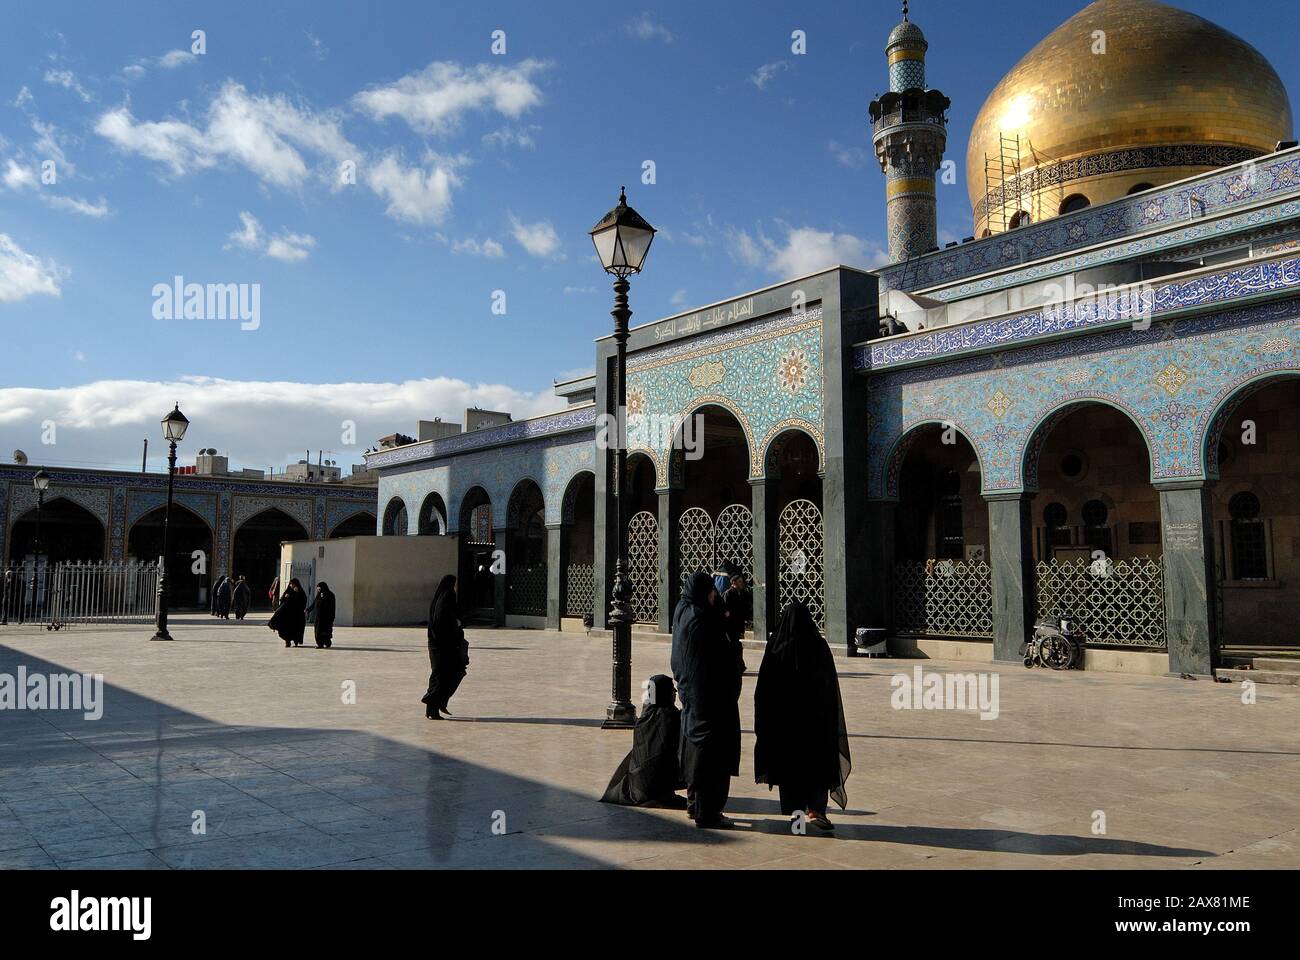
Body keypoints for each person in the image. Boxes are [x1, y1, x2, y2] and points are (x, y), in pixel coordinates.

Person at [753, 601, 852, 831]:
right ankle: (817, 811)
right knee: (816, 769)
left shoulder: (775, 647)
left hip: (785, 727)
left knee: (790, 772)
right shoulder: (818, 646)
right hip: (815, 725)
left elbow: (764, 691)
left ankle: (797, 819)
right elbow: (829, 688)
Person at [671, 571, 743, 829]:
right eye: (712, 589)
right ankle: (708, 811)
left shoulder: (683, 610)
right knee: (711, 751)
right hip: (709, 696)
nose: (715, 593)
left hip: (690, 691)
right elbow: (724, 647)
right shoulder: (702, 620)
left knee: (693, 744)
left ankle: (694, 803)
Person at [601, 675, 688, 808]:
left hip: (638, 785)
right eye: (672, 689)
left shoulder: (645, 716)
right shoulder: (670, 717)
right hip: (654, 785)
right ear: (663, 692)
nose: (675, 692)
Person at [422, 574, 468, 719]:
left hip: (438, 644)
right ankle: (433, 703)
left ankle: (435, 705)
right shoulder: (447, 597)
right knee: (447, 674)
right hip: (444, 645)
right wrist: (457, 624)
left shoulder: (440, 598)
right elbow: (442, 620)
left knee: (441, 674)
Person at [267, 577, 307, 647]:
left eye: (293, 584)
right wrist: (285, 597)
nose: (292, 586)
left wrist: (297, 593)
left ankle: (296, 641)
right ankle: (287, 641)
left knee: (296, 629)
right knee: (285, 628)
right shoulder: (288, 591)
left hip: (296, 615)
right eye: (291, 584)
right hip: (287, 615)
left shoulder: (301, 592)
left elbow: (303, 601)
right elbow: (282, 600)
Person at [307, 582, 336, 649]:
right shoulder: (318, 595)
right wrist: (308, 610)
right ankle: (320, 644)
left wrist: (332, 616)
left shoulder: (330, 595)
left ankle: (327, 642)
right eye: (318, 588)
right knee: (317, 631)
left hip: (326, 617)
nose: (318, 590)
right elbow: (314, 604)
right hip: (318, 617)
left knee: (325, 631)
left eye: (319, 588)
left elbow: (332, 606)